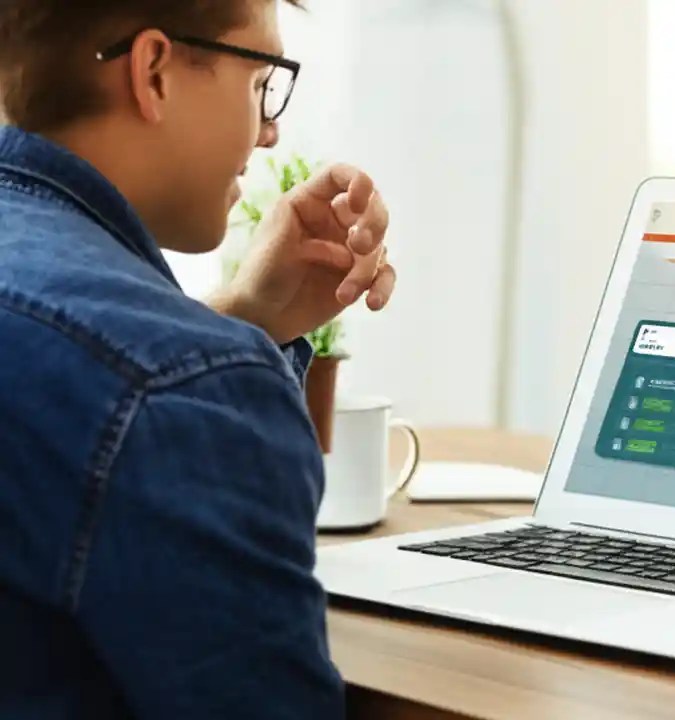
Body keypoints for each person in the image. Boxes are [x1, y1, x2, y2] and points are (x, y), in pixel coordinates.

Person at [0, 1, 395, 717]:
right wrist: (213, 362)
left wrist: (243, 318)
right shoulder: (185, 389)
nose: (271, 131)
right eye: (260, 81)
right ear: (154, 72)